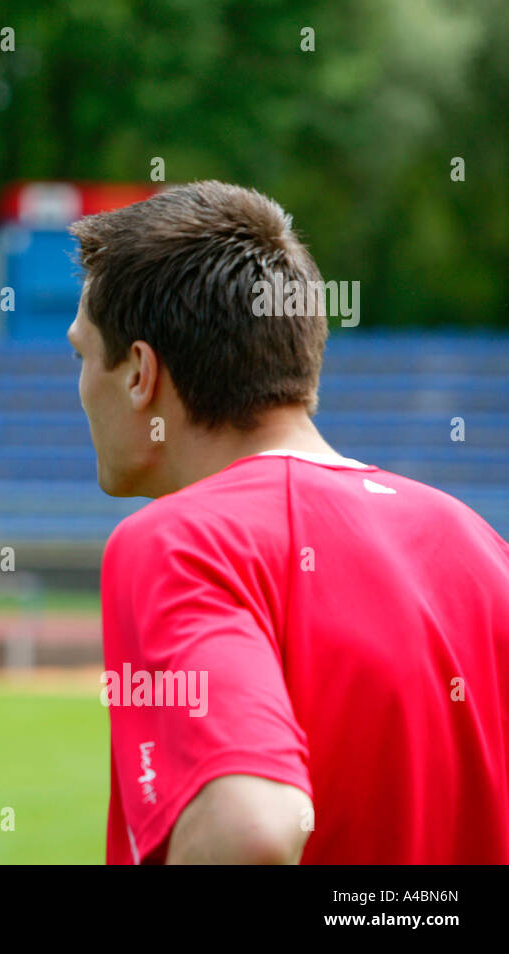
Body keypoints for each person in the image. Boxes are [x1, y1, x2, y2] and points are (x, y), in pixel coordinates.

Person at [66, 180, 509, 864]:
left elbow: (251, 829)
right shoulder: (476, 543)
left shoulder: (182, 542)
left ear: (139, 374)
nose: (78, 386)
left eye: (81, 355)